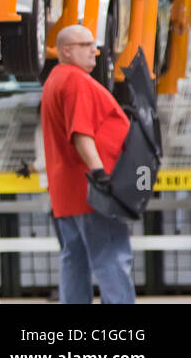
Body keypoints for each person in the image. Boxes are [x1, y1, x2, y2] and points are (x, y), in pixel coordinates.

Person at [40, 24, 135, 304]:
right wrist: (99, 174)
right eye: (86, 45)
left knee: (75, 259)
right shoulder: (75, 81)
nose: (94, 51)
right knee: (111, 257)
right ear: (66, 50)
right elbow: (81, 133)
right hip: (91, 191)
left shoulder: (55, 79)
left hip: (66, 193)